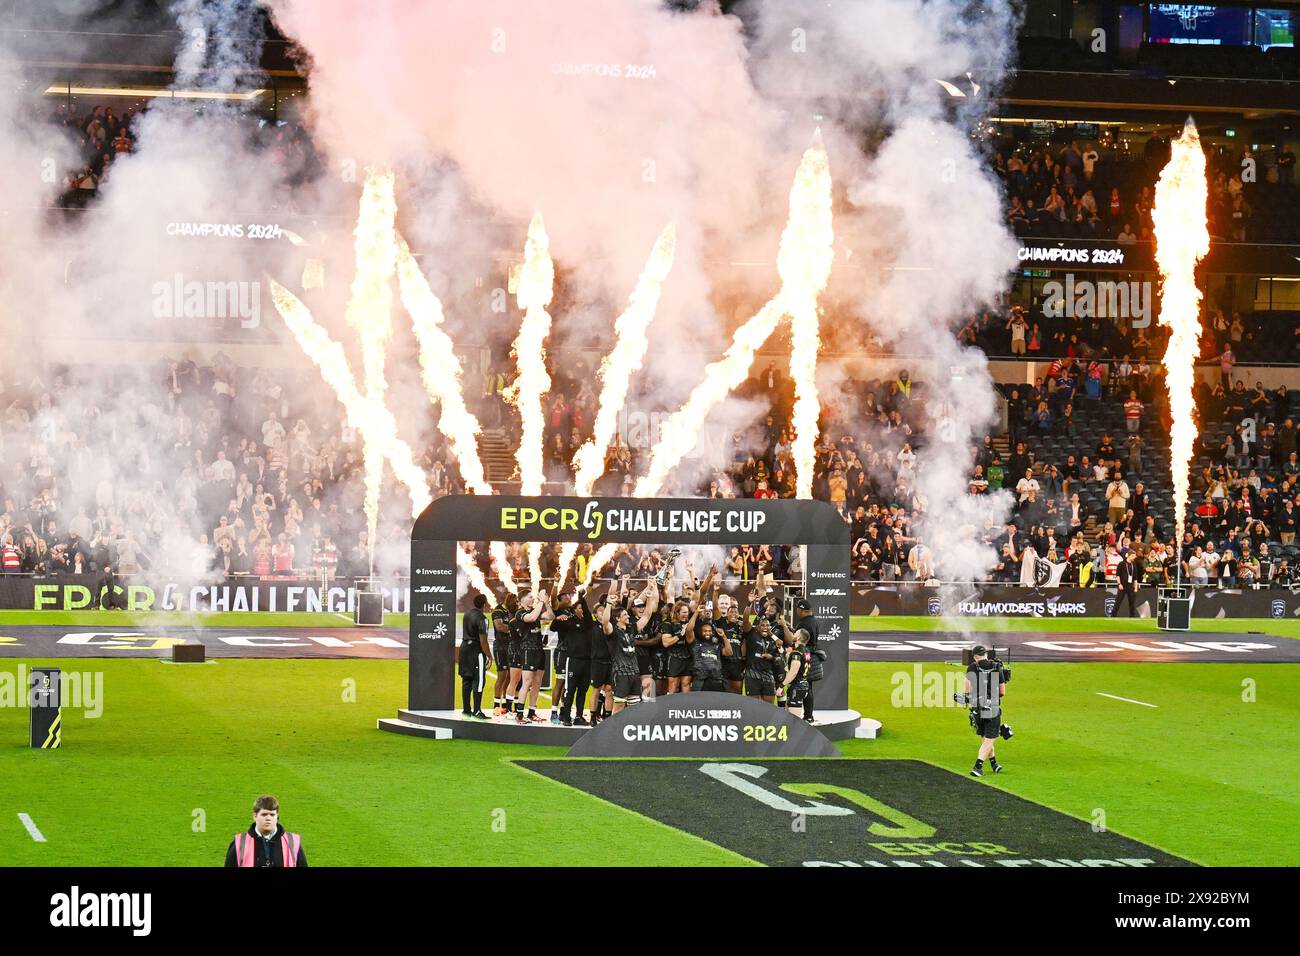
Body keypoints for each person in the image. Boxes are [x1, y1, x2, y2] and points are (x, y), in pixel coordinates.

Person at [596, 580, 658, 714]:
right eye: (625, 615)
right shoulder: (612, 632)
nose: (628, 615)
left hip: (634, 673)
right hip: (621, 674)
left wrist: (649, 598)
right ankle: (614, 731)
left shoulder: (631, 629)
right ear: (618, 618)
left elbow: (647, 616)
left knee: (633, 708)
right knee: (618, 706)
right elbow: (605, 621)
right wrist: (608, 604)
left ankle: (630, 731)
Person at [956, 646, 1009, 778]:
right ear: (986, 654)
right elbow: (1002, 692)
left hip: (977, 708)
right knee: (990, 738)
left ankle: (994, 763)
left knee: (986, 737)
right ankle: (978, 766)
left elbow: (967, 691)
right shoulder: (996, 667)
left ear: (974, 657)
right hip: (992, 707)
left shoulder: (972, 668)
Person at [224, 795, 307, 867]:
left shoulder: (293, 842)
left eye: (272, 815)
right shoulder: (240, 843)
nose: (268, 818)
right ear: (255, 816)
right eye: (264, 814)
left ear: (277, 817)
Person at [780, 598, 821, 723]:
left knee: (793, 721)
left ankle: (807, 716)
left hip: (798, 681)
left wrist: (782, 685)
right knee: (808, 688)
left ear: (801, 610)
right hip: (809, 656)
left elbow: (793, 672)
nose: (796, 610)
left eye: (797, 608)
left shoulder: (805, 625)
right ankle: (809, 715)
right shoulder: (813, 621)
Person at [458, 594, 491, 720]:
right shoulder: (482, 618)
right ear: (484, 604)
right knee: (479, 681)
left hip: (464, 648)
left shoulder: (467, 614)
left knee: (466, 679)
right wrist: (489, 655)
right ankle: (477, 711)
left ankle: (466, 709)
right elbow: (483, 640)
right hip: (476, 651)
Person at [1111, 550, 1139, 618]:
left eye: (1134, 556)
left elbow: (1135, 577)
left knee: (1132, 603)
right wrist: (1119, 584)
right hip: (1122, 586)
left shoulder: (1133, 564)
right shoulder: (1121, 564)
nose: (1134, 557)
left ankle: (1132, 617)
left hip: (1130, 586)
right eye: (1133, 556)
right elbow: (1117, 575)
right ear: (1129, 555)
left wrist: (1135, 587)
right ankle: (1113, 616)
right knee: (1118, 602)